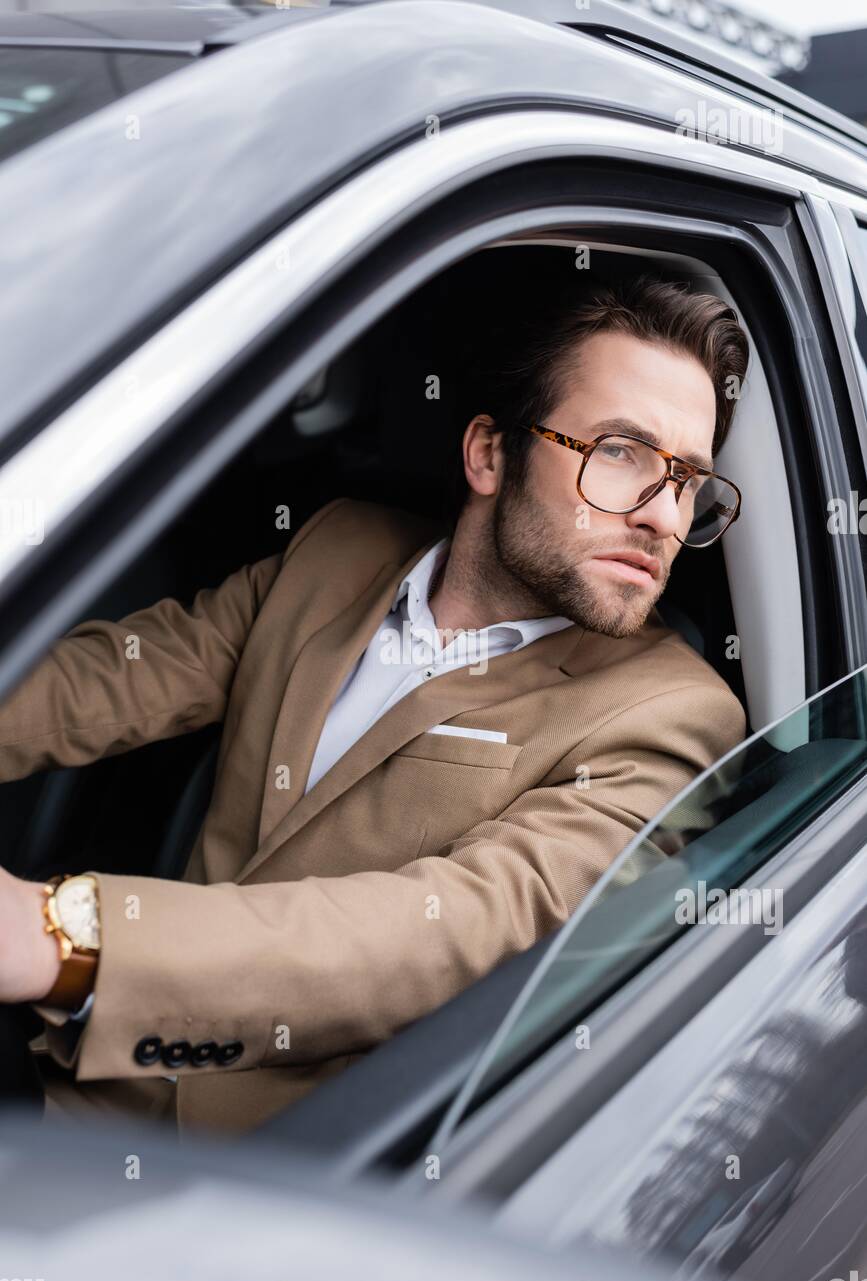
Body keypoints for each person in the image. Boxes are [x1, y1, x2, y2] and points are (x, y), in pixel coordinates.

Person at [0, 274, 748, 1135]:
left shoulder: (675, 716)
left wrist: (55, 936)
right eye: (620, 452)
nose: (663, 517)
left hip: (290, 1179)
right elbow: (102, 685)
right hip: (78, 1087)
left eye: (689, 479)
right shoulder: (338, 548)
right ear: (489, 455)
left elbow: (445, 935)